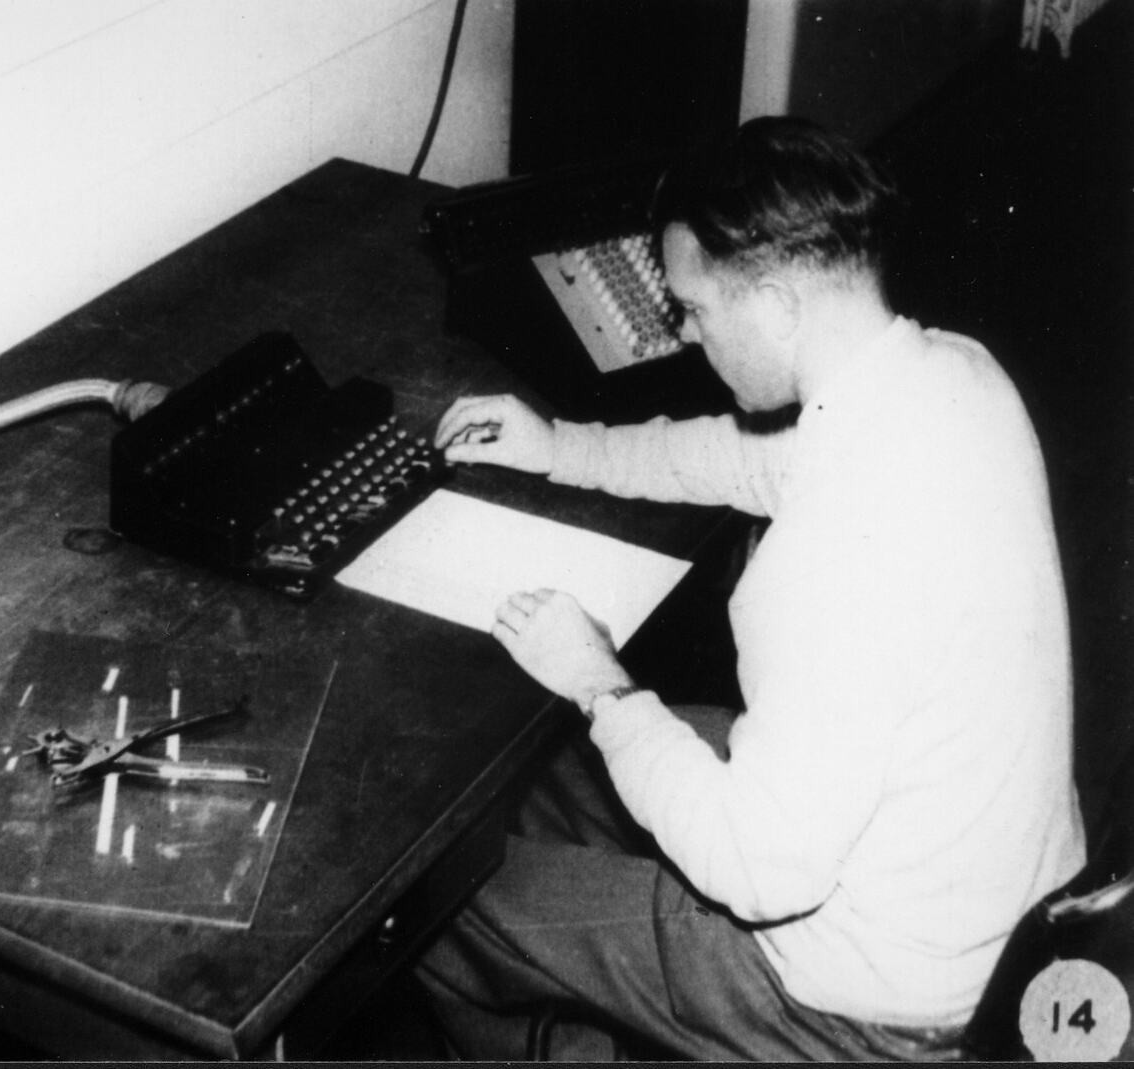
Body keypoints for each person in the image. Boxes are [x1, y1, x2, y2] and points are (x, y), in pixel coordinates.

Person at [416, 116, 1086, 1060]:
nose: (684, 333)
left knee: (441, 903)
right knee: (546, 777)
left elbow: (759, 870)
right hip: (994, 898)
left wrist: (602, 681)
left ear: (774, 304)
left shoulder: (830, 564)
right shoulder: (953, 375)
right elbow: (746, 458)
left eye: (692, 308)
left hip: (868, 999)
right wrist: (561, 447)